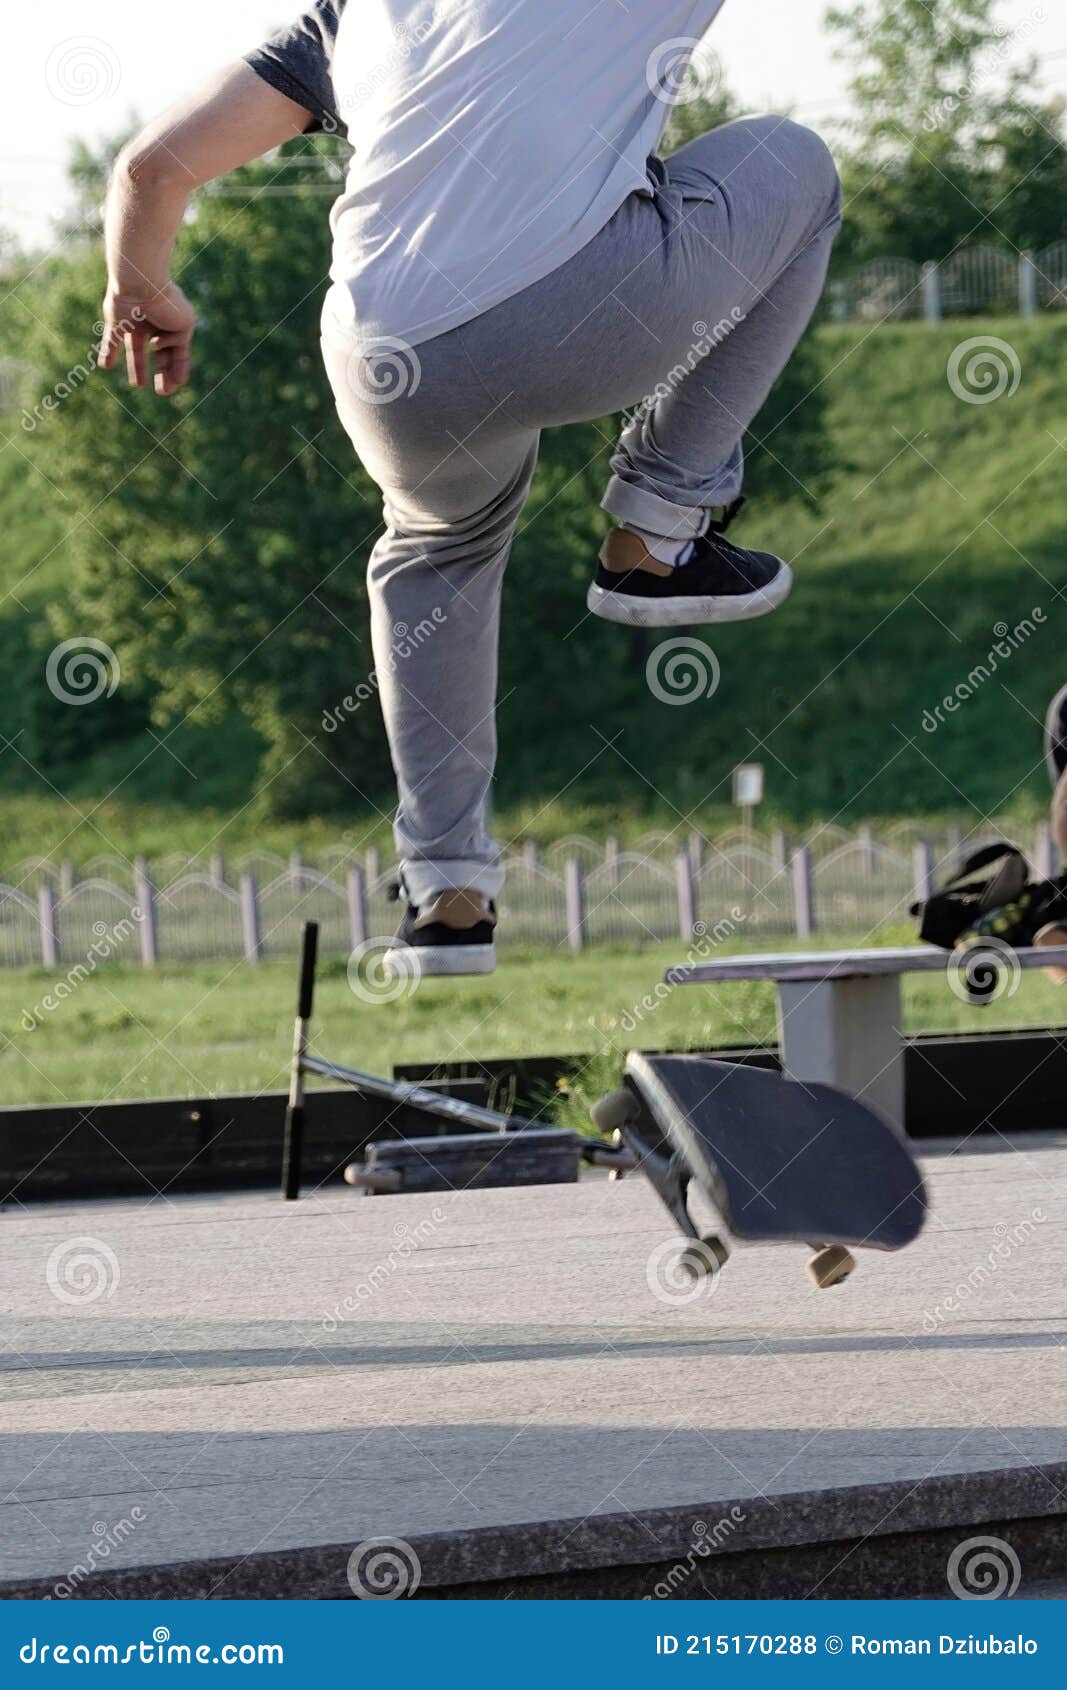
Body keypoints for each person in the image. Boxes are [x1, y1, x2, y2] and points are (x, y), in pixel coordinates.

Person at [98, 1, 841, 976]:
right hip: (569, 309)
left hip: (379, 360)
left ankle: (446, 897)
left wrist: (140, 281)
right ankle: (656, 531)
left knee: (433, 550)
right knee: (793, 163)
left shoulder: (350, 14)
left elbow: (149, 170)